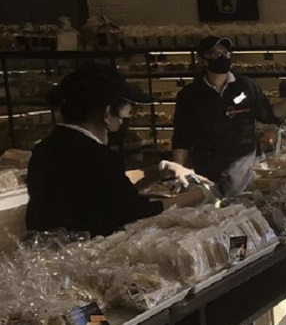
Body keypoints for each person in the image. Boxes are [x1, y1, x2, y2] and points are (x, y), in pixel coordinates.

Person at [26, 63, 211, 237]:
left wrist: (158, 171)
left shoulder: (45, 149)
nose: (124, 120)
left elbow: (100, 189)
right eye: (125, 113)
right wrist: (197, 196)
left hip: (47, 254)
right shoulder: (99, 157)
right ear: (107, 114)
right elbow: (133, 213)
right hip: (88, 254)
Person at [172, 36, 286, 198]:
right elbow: (181, 138)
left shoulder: (246, 86)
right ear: (202, 60)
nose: (222, 56)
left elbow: (269, 114)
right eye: (215, 53)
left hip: (246, 175)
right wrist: (179, 172)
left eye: (225, 52)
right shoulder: (190, 95)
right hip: (208, 176)